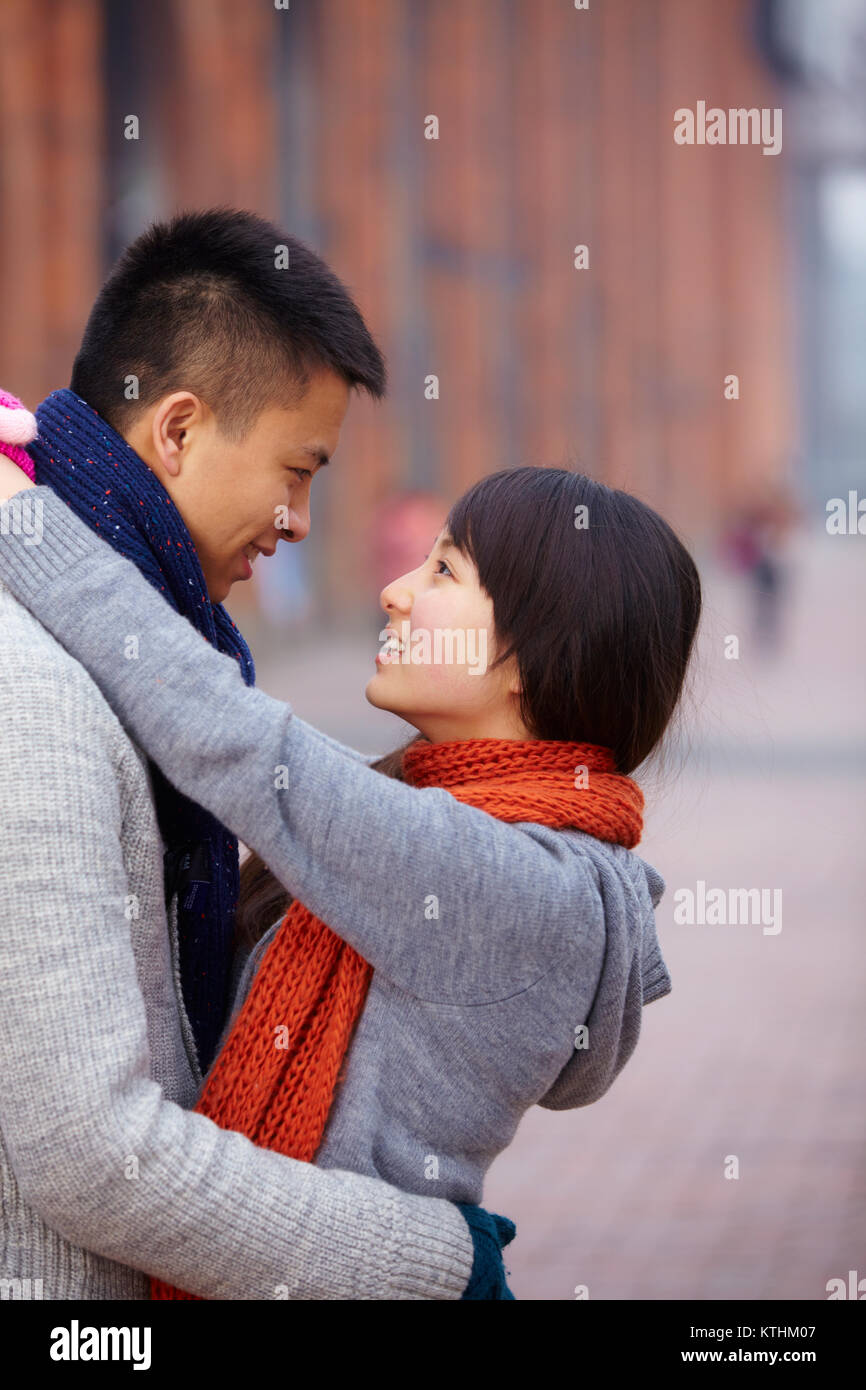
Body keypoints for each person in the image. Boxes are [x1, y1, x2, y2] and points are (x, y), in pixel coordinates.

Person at [0, 451, 702, 1298]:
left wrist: (20, 514)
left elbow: (230, 738)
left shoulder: (521, 887)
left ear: (533, 659)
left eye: (444, 571)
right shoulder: (446, 825)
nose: (396, 591)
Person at [0, 206, 513, 1300]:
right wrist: (437, 1264)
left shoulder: (131, 657)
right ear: (177, 432)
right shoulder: (34, 690)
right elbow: (93, 1156)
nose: (301, 521)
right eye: (298, 468)